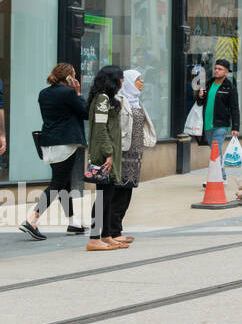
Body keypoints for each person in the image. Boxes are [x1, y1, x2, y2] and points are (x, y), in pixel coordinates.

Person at [20, 63, 88, 240]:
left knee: (63, 183)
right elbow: (85, 113)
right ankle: (32, 219)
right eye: (74, 75)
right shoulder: (69, 93)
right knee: (57, 184)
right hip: (65, 144)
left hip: (49, 143)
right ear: (69, 77)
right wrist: (78, 93)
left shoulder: (44, 93)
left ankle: (73, 222)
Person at [85, 67, 127, 252]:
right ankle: (94, 238)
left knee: (108, 196)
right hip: (104, 154)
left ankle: (107, 236)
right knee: (103, 197)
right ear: (112, 80)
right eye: (120, 79)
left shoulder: (105, 98)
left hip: (110, 152)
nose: (122, 82)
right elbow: (101, 129)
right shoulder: (102, 98)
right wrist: (108, 153)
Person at [113, 69, 155, 247]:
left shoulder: (136, 101)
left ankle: (117, 228)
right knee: (117, 192)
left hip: (135, 153)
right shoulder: (120, 101)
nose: (142, 82)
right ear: (129, 82)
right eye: (138, 79)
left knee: (127, 190)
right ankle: (112, 230)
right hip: (122, 153)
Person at [195, 59, 240, 183]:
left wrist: (235, 127)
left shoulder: (229, 87)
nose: (216, 71)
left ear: (226, 72)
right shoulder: (208, 84)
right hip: (208, 123)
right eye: (215, 68)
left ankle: (219, 178)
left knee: (216, 149)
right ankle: (221, 176)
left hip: (221, 124)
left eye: (220, 69)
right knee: (215, 151)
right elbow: (200, 102)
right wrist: (199, 96)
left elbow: (235, 108)